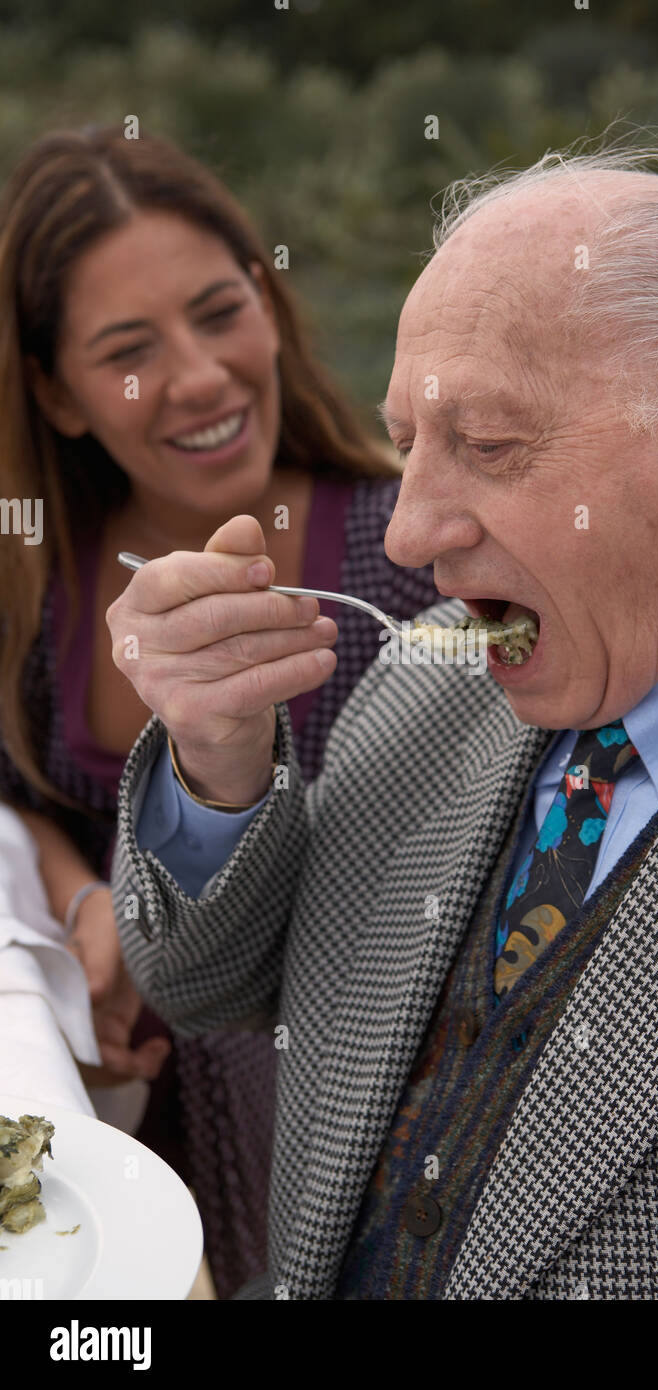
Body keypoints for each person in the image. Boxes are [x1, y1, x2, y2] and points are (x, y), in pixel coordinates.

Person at [109, 145, 658, 1300]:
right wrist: (217, 768)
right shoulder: (433, 671)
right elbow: (213, 981)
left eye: (490, 447)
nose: (409, 539)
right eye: (408, 444)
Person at [0, 124, 437, 1297]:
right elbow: (14, 794)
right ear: (58, 391)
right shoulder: (38, 586)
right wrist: (94, 894)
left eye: (218, 308)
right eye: (130, 348)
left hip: (341, 1149)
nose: (197, 376)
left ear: (269, 299)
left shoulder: (413, 555)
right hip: (122, 1158)